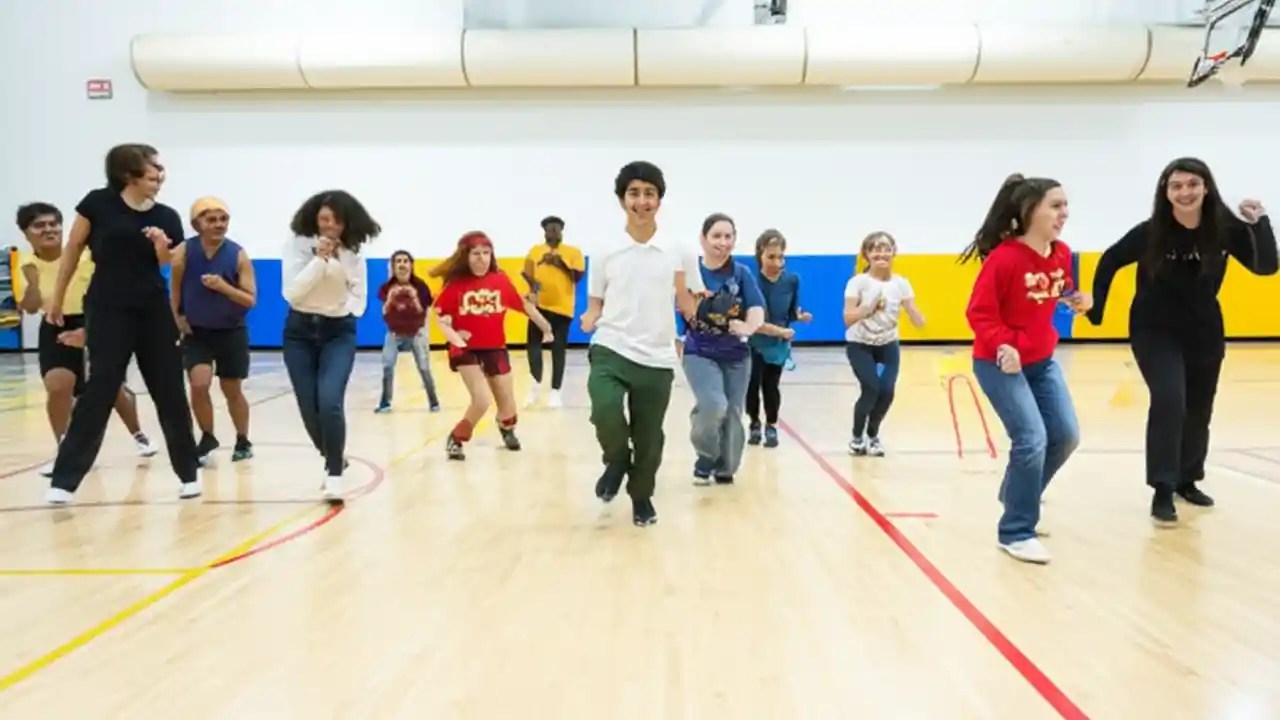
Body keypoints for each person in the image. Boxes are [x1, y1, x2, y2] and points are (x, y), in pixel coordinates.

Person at [1086, 157, 1275, 526]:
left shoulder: (1225, 229)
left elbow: (1266, 266)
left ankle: (1188, 480)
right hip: (1153, 329)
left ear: (1206, 187)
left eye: (1192, 184)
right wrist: (1097, 311)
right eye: (1176, 186)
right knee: (1170, 399)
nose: (1185, 192)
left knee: (1199, 408)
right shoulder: (1153, 231)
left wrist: (1261, 223)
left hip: (1204, 330)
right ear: (1165, 192)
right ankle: (1162, 487)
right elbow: (1110, 260)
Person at [43, 143, 201, 504]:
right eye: (152, 171)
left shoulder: (166, 216)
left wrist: (163, 246)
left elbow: (168, 262)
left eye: (160, 171)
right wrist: (57, 297)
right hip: (107, 306)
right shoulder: (97, 204)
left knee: (169, 389)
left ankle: (188, 473)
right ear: (128, 175)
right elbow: (72, 250)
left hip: (151, 309)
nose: (160, 177)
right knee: (101, 387)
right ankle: (65, 480)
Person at [962, 173, 1090, 565]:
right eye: (1055, 205)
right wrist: (1005, 345)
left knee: (1065, 436)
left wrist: (1076, 298)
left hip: (1041, 360)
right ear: (1029, 211)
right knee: (1031, 438)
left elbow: (1059, 288)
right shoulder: (1005, 259)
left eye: (1065, 204)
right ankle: (1016, 530)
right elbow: (978, 313)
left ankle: (1019, 494)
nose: (1064, 212)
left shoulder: (1061, 252)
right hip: (998, 363)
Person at [580, 160, 704, 527]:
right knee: (605, 413)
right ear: (622, 200)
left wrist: (704, 308)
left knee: (649, 440)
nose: (642, 200)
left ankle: (641, 497)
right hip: (611, 347)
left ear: (659, 200)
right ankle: (616, 460)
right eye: (634, 193)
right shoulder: (604, 251)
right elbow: (594, 305)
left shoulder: (678, 250)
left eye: (649, 193)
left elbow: (688, 301)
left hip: (658, 356)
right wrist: (588, 319)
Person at [16, 201, 159, 477]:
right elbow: (31, 307)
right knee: (58, 385)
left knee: (111, 388)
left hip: (94, 320)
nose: (48, 229)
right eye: (39, 225)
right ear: (26, 232)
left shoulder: (83, 256)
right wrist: (32, 283)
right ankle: (65, 448)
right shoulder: (25, 264)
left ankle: (138, 434)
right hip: (54, 324)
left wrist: (90, 331)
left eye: (53, 223)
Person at [282, 190, 379, 502]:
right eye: (324, 219)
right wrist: (320, 259)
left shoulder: (354, 252)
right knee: (308, 406)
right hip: (299, 332)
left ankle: (334, 473)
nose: (330, 226)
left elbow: (359, 299)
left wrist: (339, 307)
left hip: (338, 332)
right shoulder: (298, 245)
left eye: (336, 221)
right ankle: (332, 454)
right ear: (314, 219)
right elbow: (294, 294)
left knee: (330, 400)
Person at [429, 232, 554, 460]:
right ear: (465, 257)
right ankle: (456, 439)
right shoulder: (454, 286)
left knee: (508, 405)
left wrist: (545, 327)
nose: (481, 259)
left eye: (486, 253)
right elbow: (440, 317)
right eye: (476, 254)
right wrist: (453, 334)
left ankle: (506, 427)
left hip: (494, 347)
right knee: (482, 399)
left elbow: (524, 306)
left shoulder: (500, 280)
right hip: (465, 349)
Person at [679, 213, 765, 484]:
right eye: (717, 236)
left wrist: (748, 328)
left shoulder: (742, 273)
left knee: (732, 412)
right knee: (714, 405)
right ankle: (705, 456)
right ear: (703, 239)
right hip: (700, 352)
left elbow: (756, 308)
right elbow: (682, 308)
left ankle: (725, 466)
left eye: (729, 236)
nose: (723, 242)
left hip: (737, 356)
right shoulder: (690, 272)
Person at [171, 196, 256, 465]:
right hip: (197, 332)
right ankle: (207, 436)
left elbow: (249, 299)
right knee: (198, 384)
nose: (219, 224)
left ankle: (243, 439)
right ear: (197, 224)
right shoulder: (184, 252)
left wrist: (223, 287)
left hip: (231, 331)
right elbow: (174, 289)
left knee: (231, 389)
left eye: (223, 219)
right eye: (212, 219)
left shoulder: (238, 254)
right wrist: (177, 318)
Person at [843, 231, 925, 456]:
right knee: (871, 388)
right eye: (875, 248)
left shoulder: (901, 283)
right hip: (860, 344)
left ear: (893, 252)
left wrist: (916, 315)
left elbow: (913, 312)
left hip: (888, 343)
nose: (881, 252)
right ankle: (857, 437)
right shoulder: (858, 283)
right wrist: (867, 309)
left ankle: (873, 434)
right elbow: (848, 317)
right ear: (867, 254)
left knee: (887, 391)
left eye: (886, 248)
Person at [746, 229, 811, 448]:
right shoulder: (751, 280)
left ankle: (771, 425)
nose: (776, 261)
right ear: (760, 256)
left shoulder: (792, 280)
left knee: (771, 385)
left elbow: (792, 312)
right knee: (752, 384)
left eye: (780, 256)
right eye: (771, 256)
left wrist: (799, 317)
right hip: (754, 340)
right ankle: (754, 423)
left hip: (778, 342)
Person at [521, 215, 584, 408]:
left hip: (562, 308)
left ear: (561, 230)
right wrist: (533, 284)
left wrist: (560, 264)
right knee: (533, 347)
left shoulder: (572, 252)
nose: (553, 232)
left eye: (556, 228)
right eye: (549, 229)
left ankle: (555, 392)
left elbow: (578, 277)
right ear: (545, 232)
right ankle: (534, 385)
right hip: (539, 306)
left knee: (558, 349)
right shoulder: (535, 251)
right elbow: (526, 273)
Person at [375, 250, 441, 414]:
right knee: (387, 366)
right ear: (393, 266)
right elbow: (384, 312)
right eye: (398, 261)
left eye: (405, 261)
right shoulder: (386, 287)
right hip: (394, 333)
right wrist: (391, 297)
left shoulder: (420, 286)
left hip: (416, 332)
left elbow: (424, 310)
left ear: (411, 265)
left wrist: (414, 298)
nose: (402, 264)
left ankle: (434, 402)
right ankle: (385, 402)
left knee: (424, 368)